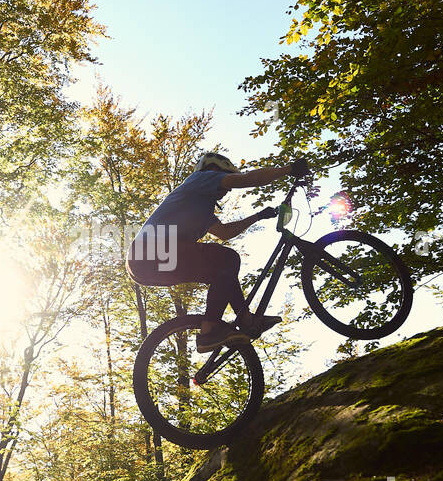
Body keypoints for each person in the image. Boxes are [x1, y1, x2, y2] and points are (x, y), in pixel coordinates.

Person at [127, 151, 308, 352]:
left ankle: (241, 322)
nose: (227, 190)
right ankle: (212, 330)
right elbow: (249, 179)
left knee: (224, 272)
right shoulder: (200, 178)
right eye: (225, 178)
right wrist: (290, 169)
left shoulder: (200, 208)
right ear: (214, 170)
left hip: (144, 264)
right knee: (227, 258)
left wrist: (257, 216)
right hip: (150, 251)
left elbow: (225, 232)